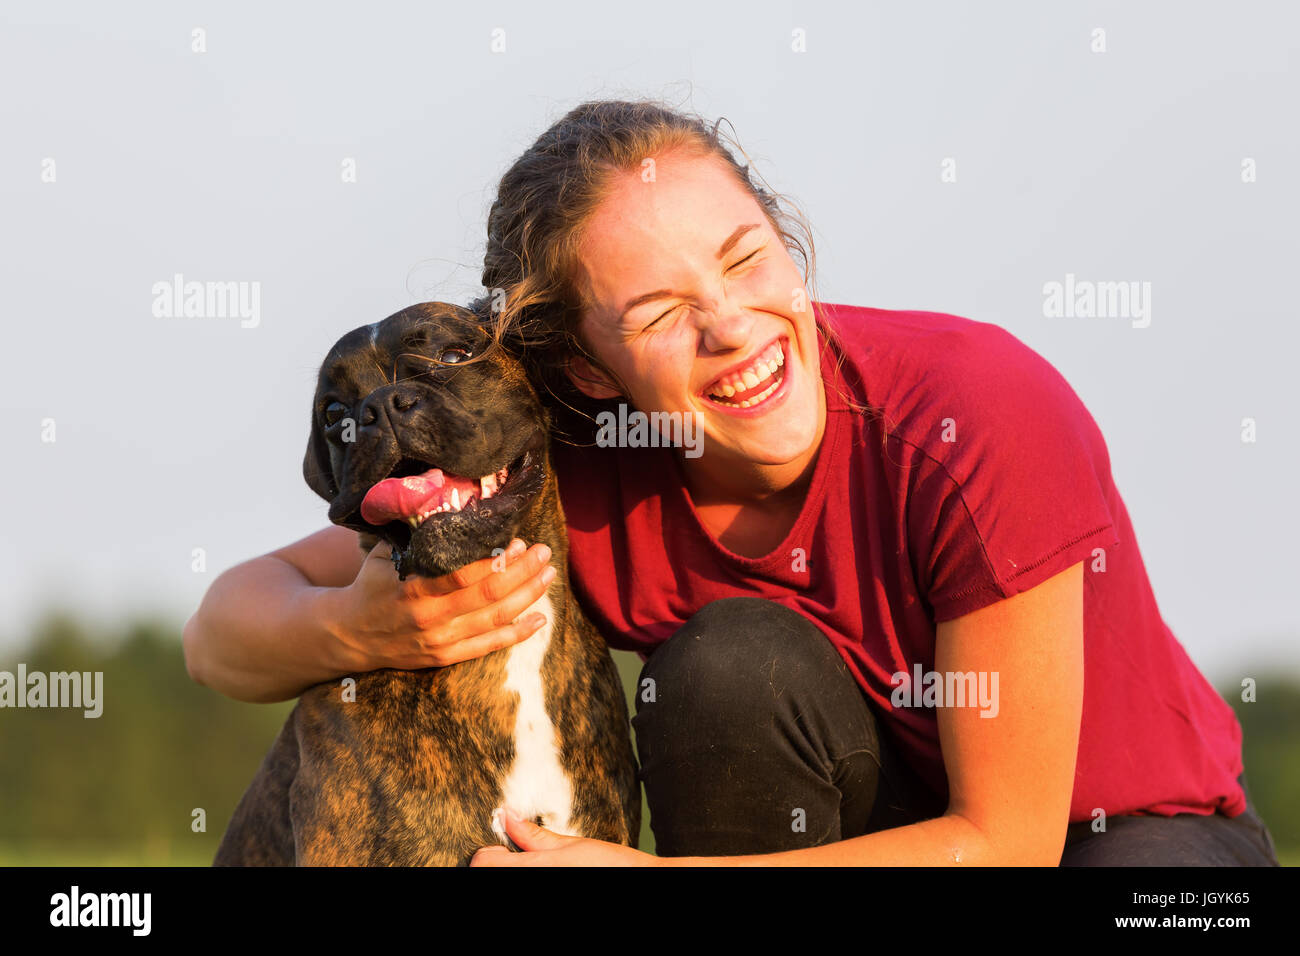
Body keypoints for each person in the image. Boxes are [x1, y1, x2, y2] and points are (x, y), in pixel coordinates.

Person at [183, 99, 1279, 867]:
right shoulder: (577, 465)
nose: (731, 327)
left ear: (785, 237)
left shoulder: (977, 415)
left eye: (746, 258)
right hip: (860, 829)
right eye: (658, 315)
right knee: (724, 673)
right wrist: (368, 631)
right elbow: (221, 631)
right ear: (584, 371)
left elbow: (1003, 845)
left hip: (1112, 834)